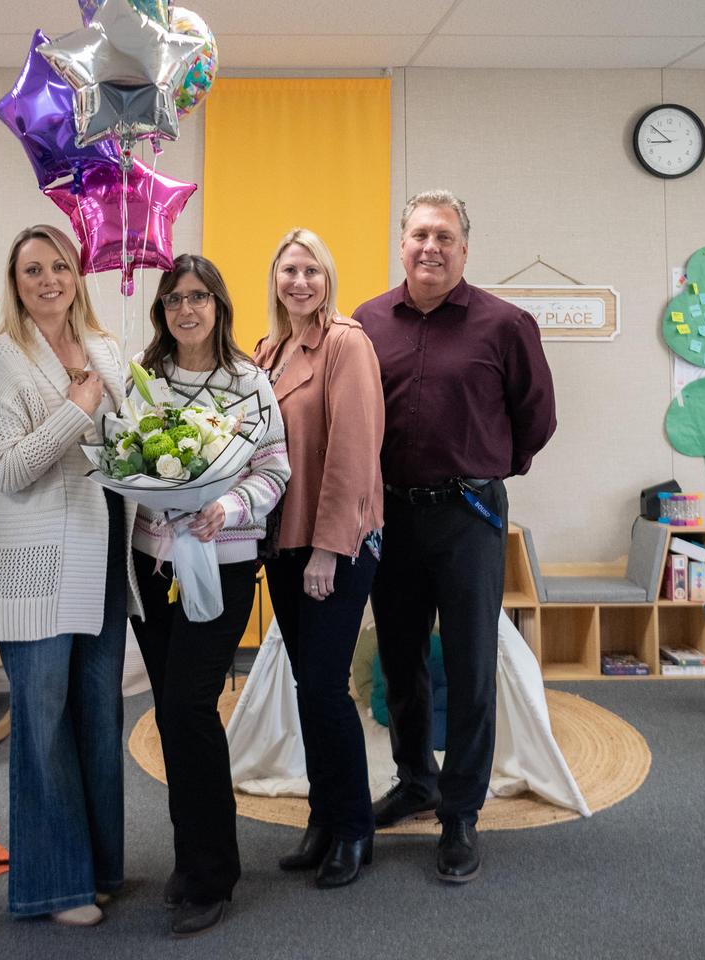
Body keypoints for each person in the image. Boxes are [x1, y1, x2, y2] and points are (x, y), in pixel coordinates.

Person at [353, 189, 556, 883]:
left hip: (469, 516)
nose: (430, 247)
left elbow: (537, 418)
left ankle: (461, 812)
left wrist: (489, 468)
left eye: (444, 236)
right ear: (401, 243)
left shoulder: (505, 324)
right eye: (419, 234)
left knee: (470, 667)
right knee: (400, 660)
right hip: (393, 517)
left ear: (464, 248)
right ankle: (417, 781)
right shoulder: (367, 323)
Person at [0, 224, 141, 927]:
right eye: (32, 270)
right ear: (16, 283)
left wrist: (128, 416)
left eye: (59, 267)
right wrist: (79, 409)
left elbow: (120, 447)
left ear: (77, 274)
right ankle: (52, 884)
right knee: (42, 718)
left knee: (100, 713)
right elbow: (5, 469)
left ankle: (97, 867)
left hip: (99, 555)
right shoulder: (4, 359)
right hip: (32, 565)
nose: (48, 280)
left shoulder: (105, 348)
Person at [130, 255, 290, 938]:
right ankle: (187, 852)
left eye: (198, 298)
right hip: (150, 565)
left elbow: (275, 468)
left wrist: (229, 503)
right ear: (162, 311)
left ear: (220, 306)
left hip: (221, 566)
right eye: (173, 300)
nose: (185, 310)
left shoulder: (248, 383)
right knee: (171, 711)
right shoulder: (145, 379)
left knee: (193, 706)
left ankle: (214, 871)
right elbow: (120, 454)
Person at [253, 228, 385, 890]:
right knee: (309, 688)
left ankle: (355, 828)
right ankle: (323, 816)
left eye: (311, 270)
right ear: (274, 279)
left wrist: (331, 549)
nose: (299, 281)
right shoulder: (268, 351)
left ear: (327, 277)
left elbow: (353, 454)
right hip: (283, 544)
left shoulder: (345, 343)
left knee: (327, 689)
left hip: (331, 545)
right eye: (288, 270)